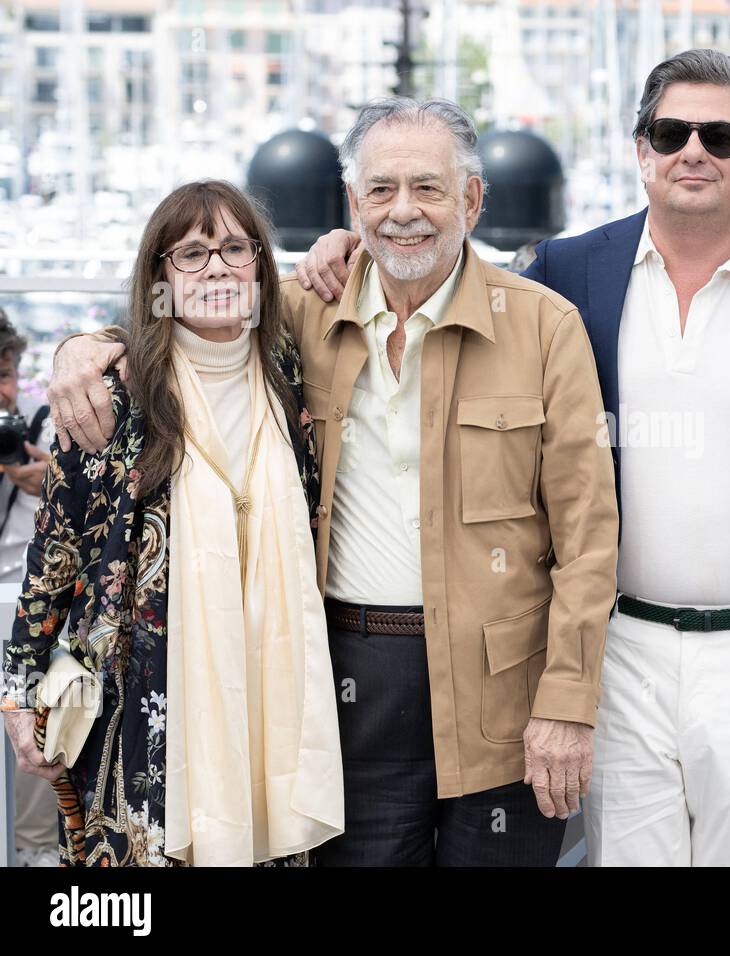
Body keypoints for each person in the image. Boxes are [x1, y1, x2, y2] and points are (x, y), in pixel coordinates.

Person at [295, 50, 730, 867]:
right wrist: (343, 245)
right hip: (620, 649)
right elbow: (449, 278)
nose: (693, 152)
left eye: (719, 135)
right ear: (641, 150)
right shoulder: (570, 274)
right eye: (671, 133)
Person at [50, 99, 619, 866]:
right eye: (380, 191)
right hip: (348, 693)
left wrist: (567, 706)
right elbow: (191, 326)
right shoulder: (303, 317)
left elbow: (588, 540)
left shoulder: (545, 328)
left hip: (505, 700)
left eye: (429, 187)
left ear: (474, 201)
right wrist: (87, 349)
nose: (404, 212)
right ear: (353, 204)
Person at [1, 180, 344, 866]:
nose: (217, 267)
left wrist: (345, 235)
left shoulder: (290, 369)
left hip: (271, 697)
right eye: (191, 253)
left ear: (260, 266)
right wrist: (18, 697)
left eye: (235, 248)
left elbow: (388, 257)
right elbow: (57, 551)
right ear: (160, 273)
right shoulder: (113, 394)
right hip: (143, 705)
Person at [0, 310, 60, 866]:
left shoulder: (40, 429)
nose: (3, 392)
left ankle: (35, 851)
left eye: (7, 374)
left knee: (33, 742)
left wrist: (56, 485)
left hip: (28, 620)